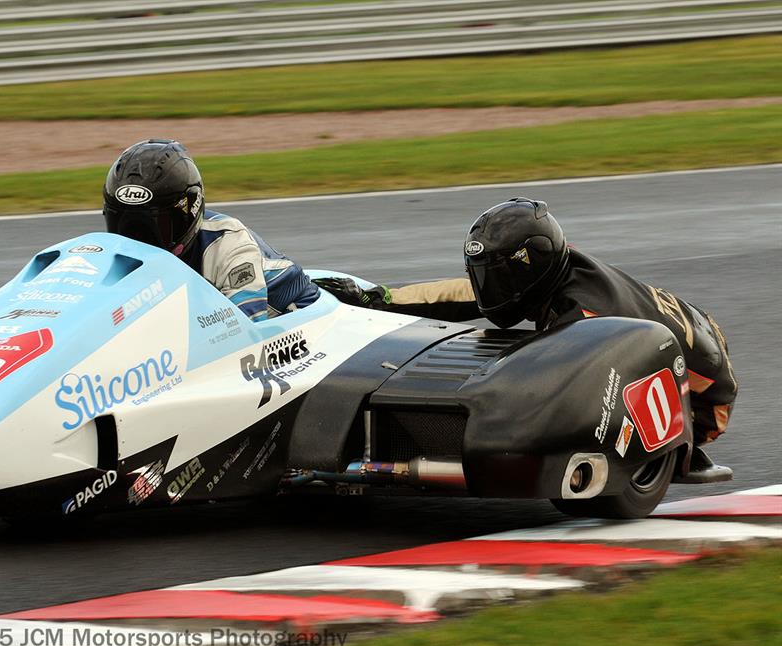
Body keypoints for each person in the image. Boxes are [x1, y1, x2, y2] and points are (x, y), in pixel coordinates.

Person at [318, 197, 737, 479]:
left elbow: (552, 388)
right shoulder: (554, 272)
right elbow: (461, 296)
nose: (486, 287)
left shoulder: (583, 313)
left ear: (529, 265)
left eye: (496, 276)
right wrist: (381, 299)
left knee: (544, 398)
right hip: (690, 330)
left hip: (703, 398)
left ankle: (679, 449)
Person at [103, 139, 319, 321]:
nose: (139, 239)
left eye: (154, 226)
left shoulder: (229, 245)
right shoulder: (111, 255)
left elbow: (246, 331)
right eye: (125, 224)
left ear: (190, 210)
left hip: (297, 328)